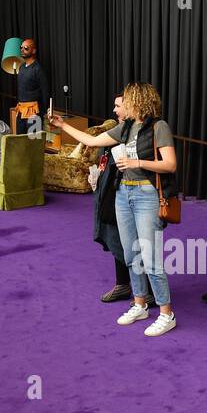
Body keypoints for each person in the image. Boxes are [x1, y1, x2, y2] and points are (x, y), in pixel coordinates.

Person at [49, 83, 177, 337]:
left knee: (150, 258)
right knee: (131, 254)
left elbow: (170, 165)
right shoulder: (126, 127)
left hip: (146, 195)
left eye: (125, 100)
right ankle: (139, 304)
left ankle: (166, 313)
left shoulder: (158, 127)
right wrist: (62, 126)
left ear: (138, 101)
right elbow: (92, 140)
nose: (120, 106)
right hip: (123, 194)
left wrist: (136, 162)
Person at [87, 95, 134, 301]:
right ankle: (123, 284)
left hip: (128, 194)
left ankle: (148, 292)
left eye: (118, 106)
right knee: (116, 237)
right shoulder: (118, 129)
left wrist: (62, 125)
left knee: (134, 243)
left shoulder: (135, 132)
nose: (114, 110)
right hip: (109, 193)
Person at [15, 38, 49, 132]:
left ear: (33, 51)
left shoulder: (38, 69)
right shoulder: (21, 67)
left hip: (34, 112)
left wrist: (44, 112)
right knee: (20, 141)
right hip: (21, 111)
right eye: (21, 47)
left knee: (34, 142)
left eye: (26, 48)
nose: (22, 50)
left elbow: (45, 92)